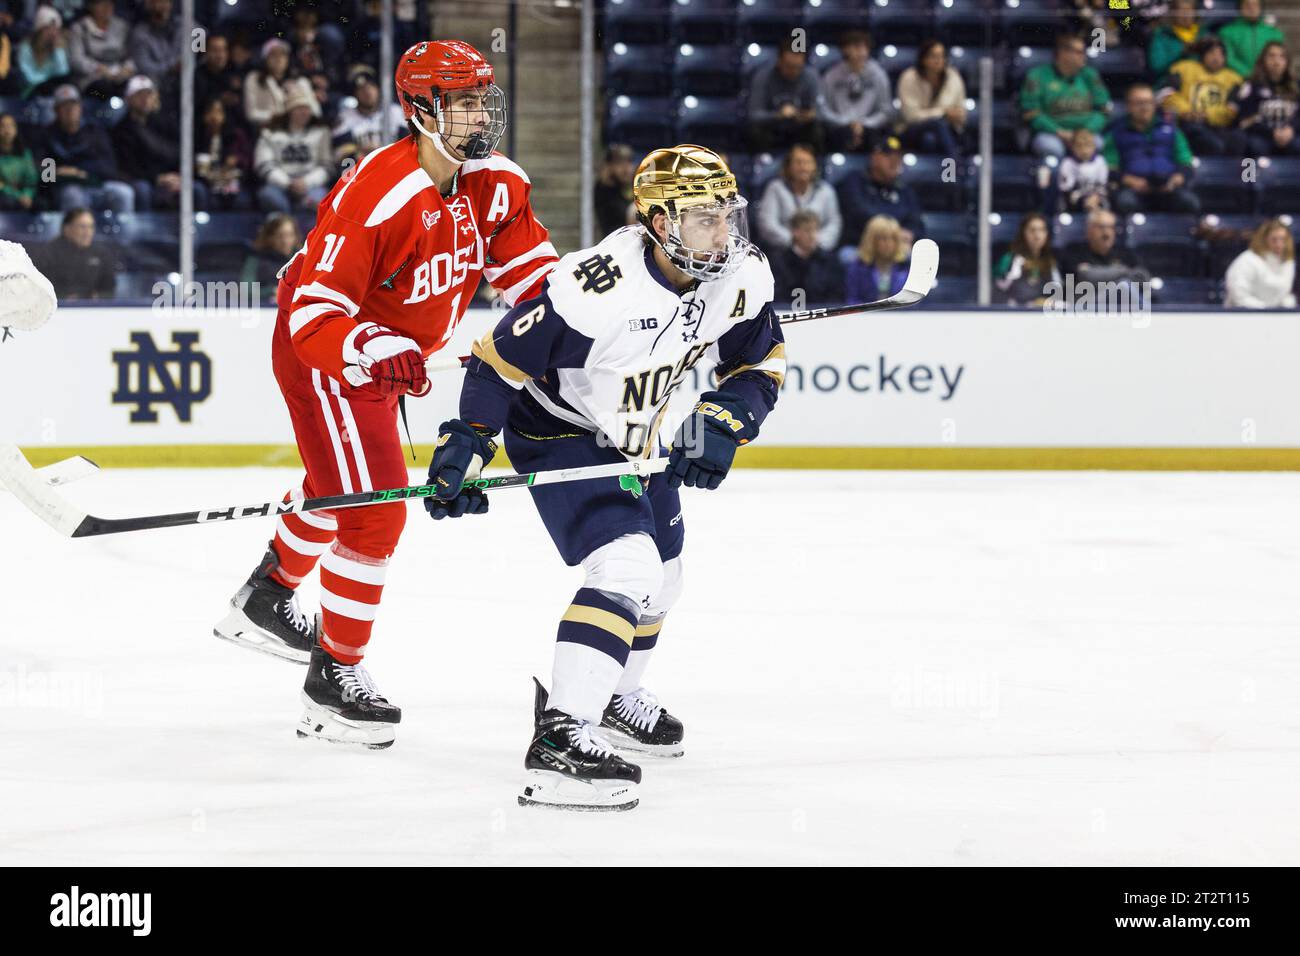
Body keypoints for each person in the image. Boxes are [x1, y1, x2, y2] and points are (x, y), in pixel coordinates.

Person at [212, 40, 558, 751]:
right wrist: (372, 346)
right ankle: (332, 681)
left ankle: (270, 594)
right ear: (422, 109)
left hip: (387, 362)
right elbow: (313, 315)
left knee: (338, 483)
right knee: (371, 513)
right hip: (331, 362)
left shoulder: (496, 183)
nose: (477, 114)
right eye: (460, 102)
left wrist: (617, 312)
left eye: (480, 99)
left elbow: (539, 289)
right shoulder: (378, 192)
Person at [423, 144, 785, 811]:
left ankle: (613, 694)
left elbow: (759, 358)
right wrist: (469, 443)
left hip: (636, 435)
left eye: (725, 213)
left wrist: (723, 421)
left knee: (665, 580)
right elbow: (498, 361)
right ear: (658, 222)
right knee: (626, 569)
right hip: (560, 430)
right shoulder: (594, 287)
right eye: (703, 217)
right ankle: (561, 740)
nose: (721, 230)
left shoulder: (739, 273)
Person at [1105, 83, 1200, 215]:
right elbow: (1110, 168)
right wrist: (1130, 181)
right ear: (1128, 106)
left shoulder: (1172, 130)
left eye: (1148, 102)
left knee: (1189, 202)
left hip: (1169, 188)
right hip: (1134, 189)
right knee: (1125, 202)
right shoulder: (1116, 133)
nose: (1144, 107)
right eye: (1139, 103)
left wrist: (1177, 178)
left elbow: (1186, 162)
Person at [40, 83, 134, 212]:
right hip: (67, 187)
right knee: (72, 195)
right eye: (64, 106)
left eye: (73, 105)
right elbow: (45, 174)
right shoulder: (47, 135)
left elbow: (109, 167)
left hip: (96, 183)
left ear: (80, 108)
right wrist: (58, 173)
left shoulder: (94, 131)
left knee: (123, 193)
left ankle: (123, 232)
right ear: (56, 111)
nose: (70, 110)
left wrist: (77, 171)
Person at [1020, 33, 1111, 159]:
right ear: (1063, 54)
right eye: (1079, 52)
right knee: (1052, 148)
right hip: (1051, 133)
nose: (1084, 56)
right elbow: (1031, 113)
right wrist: (1058, 131)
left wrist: (1086, 131)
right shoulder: (1037, 76)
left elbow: (1103, 110)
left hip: (1085, 132)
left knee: (1098, 144)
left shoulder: (1090, 75)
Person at [254, 78, 333, 213]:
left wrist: (306, 182)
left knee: (321, 200)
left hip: (311, 184)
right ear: (290, 111)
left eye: (307, 108)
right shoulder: (270, 133)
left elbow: (327, 165)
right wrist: (288, 183)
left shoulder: (322, 132)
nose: (304, 112)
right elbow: (263, 164)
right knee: (269, 196)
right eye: (299, 108)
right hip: (280, 184)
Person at [112, 74, 187, 210]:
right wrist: (158, 178)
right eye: (140, 95)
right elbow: (128, 167)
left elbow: (176, 152)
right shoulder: (121, 130)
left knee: (196, 189)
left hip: (170, 177)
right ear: (129, 99)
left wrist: (177, 175)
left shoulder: (164, 123)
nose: (145, 99)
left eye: (149, 94)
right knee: (143, 189)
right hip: (143, 179)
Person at [836, 135, 924, 251]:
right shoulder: (855, 181)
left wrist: (910, 233)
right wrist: (894, 232)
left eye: (898, 156)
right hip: (860, 248)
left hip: (896, 249)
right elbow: (860, 214)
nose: (895, 161)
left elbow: (917, 222)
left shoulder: (904, 189)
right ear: (874, 157)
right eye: (888, 155)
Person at [755, 143, 841, 253]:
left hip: (818, 252)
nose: (803, 167)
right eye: (798, 162)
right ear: (789, 166)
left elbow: (834, 224)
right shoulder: (775, 188)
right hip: (783, 252)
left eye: (807, 163)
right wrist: (794, 241)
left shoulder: (826, 191)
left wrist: (815, 242)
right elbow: (767, 224)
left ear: (815, 166)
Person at [1166, 37, 1244, 156]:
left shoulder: (1234, 79)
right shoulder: (1183, 69)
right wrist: (1186, 112)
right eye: (1211, 53)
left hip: (1220, 127)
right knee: (1209, 141)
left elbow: (1232, 109)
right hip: (1188, 123)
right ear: (1202, 54)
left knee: (1238, 140)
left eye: (1220, 54)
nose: (1216, 58)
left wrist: (1206, 115)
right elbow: (1168, 94)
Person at [746, 35, 825, 153]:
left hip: (800, 128)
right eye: (789, 66)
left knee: (818, 129)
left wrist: (809, 115)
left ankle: (812, 164)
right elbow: (754, 114)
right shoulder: (763, 76)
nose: (794, 71)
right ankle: (761, 164)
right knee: (755, 130)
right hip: (773, 128)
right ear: (779, 61)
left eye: (798, 67)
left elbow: (821, 111)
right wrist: (778, 115)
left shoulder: (811, 77)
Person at [819, 29, 892, 153]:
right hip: (840, 127)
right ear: (845, 50)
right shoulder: (831, 75)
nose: (861, 52)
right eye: (857, 47)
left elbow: (885, 111)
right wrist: (847, 122)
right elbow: (824, 109)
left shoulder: (879, 75)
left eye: (864, 47)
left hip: (869, 128)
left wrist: (864, 124)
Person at [897, 39, 968, 157]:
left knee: (933, 137)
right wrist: (943, 113)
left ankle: (948, 169)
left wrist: (957, 116)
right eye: (934, 56)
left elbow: (961, 114)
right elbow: (911, 116)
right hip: (913, 130)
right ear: (923, 59)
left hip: (947, 131)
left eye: (942, 56)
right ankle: (953, 167)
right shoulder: (909, 78)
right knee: (938, 124)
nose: (939, 61)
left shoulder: (954, 77)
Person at [29, 207, 117, 300]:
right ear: (67, 228)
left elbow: (109, 289)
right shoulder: (48, 253)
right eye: (82, 227)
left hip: (93, 310)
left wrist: (97, 297)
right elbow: (40, 288)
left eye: (91, 227)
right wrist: (63, 297)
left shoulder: (101, 254)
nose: (88, 232)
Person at [1234, 41, 1299, 156]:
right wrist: (1272, 132)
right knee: (1255, 147)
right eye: (1271, 56)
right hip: (1261, 136)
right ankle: (1249, 174)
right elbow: (1245, 120)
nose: (1276, 61)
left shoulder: (1296, 86)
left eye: (1281, 56)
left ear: (1287, 61)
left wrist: (1291, 130)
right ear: (1263, 60)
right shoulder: (1250, 86)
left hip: (1291, 135)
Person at [332, 67, 404, 165]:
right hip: (363, 169)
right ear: (355, 94)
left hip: (395, 164)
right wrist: (360, 152)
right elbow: (341, 154)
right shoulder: (346, 116)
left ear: (378, 89)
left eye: (370, 87)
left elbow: (410, 143)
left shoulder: (395, 111)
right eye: (361, 89)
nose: (367, 92)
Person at [1059, 209, 1151, 285]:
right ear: (1089, 230)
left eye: (1111, 227)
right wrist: (1124, 271)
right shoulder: (1073, 251)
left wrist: (1093, 272)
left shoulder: (1125, 252)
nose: (1107, 233)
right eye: (1101, 227)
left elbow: (1143, 277)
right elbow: (1085, 278)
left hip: (1120, 304)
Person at [771, 209, 844, 304]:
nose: (813, 235)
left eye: (815, 230)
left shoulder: (830, 260)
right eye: (807, 230)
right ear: (795, 232)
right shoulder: (779, 261)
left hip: (824, 315)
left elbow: (837, 295)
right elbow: (777, 296)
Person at [67, 0, 134, 98]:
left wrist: (128, 67)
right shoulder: (79, 28)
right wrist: (97, 68)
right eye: (102, 3)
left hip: (118, 76)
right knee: (103, 92)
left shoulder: (121, 26)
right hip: (89, 83)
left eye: (110, 3)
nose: (107, 7)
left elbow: (131, 55)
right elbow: (76, 59)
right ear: (91, 6)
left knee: (134, 89)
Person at [1224, 218, 1296, 308]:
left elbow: (1284, 294)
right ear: (1263, 240)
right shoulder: (1247, 261)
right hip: (1243, 316)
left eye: (1283, 239)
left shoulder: (1288, 261)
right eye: (1274, 240)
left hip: (1274, 317)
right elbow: (1239, 296)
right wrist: (1265, 311)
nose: (1279, 244)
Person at [994, 212, 1062, 307]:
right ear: (1023, 233)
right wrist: (1033, 303)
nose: (1037, 236)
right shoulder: (1010, 260)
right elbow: (999, 291)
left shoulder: (1050, 262)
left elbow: (1058, 293)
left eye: (1042, 230)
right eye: (1032, 230)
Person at [195, 97, 251, 211]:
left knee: (242, 201)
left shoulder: (236, 135)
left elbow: (247, 159)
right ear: (204, 116)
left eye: (218, 112)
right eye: (210, 112)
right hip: (207, 182)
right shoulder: (197, 137)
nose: (214, 116)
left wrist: (236, 160)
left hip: (232, 181)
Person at [844, 215, 910, 303]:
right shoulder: (857, 267)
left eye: (893, 239)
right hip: (865, 315)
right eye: (883, 239)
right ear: (872, 241)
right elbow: (852, 300)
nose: (889, 244)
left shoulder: (906, 267)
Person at [240, 213, 300, 303]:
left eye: (290, 235)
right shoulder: (256, 259)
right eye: (280, 236)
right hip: (264, 310)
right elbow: (245, 290)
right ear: (269, 238)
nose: (285, 241)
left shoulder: (302, 259)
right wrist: (271, 291)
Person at [1218, 0, 1286, 79]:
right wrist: (1249, 74)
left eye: (1255, 5)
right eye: (1247, 4)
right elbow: (1228, 57)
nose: (1251, 8)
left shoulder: (1274, 33)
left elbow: (1280, 58)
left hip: (1269, 80)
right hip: (1237, 80)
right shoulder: (1227, 32)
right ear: (1240, 8)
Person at [127, 0, 186, 84]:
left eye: (167, 2)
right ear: (149, 4)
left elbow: (202, 34)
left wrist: (196, 51)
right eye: (159, 2)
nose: (164, 6)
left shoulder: (180, 25)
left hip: (179, 83)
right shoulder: (140, 33)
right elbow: (144, 68)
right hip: (154, 84)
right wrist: (170, 68)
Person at [17, 5, 70, 98]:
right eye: (48, 28)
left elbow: (62, 73)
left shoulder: (57, 48)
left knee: (66, 89)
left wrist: (57, 49)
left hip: (51, 88)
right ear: (39, 30)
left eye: (55, 29)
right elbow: (27, 76)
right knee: (49, 87)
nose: (52, 33)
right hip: (31, 90)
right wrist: (45, 80)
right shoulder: (26, 46)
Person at [1148, 0, 1204, 84]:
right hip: (1169, 83)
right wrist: (1181, 54)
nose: (1185, 15)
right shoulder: (1162, 35)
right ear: (1173, 13)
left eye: (1189, 11)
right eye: (1181, 11)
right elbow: (1157, 67)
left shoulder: (1203, 34)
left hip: (1200, 82)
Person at [243, 37, 293, 129]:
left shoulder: (295, 80)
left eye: (282, 55)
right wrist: (274, 116)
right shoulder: (254, 78)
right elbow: (251, 113)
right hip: (265, 130)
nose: (278, 59)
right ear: (265, 59)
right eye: (273, 55)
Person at [1057, 128, 1110, 212]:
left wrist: (1096, 197)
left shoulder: (1100, 161)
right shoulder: (1067, 163)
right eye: (1079, 145)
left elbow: (1102, 184)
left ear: (1094, 146)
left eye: (1088, 145)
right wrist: (1085, 200)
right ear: (1072, 147)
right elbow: (1066, 189)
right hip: (1075, 202)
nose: (1084, 150)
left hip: (1097, 199)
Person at [593, 142, 635, 238]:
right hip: (615, 238)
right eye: (619, 163)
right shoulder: (604, 188)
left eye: (629, 162)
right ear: (609, 166)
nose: (625, 168)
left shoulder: (633, 183)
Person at [0, 111, 37, 210]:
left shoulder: (25, 153)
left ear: (16, 130)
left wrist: (27, 195)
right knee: (7, 202)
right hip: (5, 195)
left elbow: (31, 180)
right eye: (2, 126)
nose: (7, 130)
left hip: (23, 195)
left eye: (10, 126)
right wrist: (18, 196)